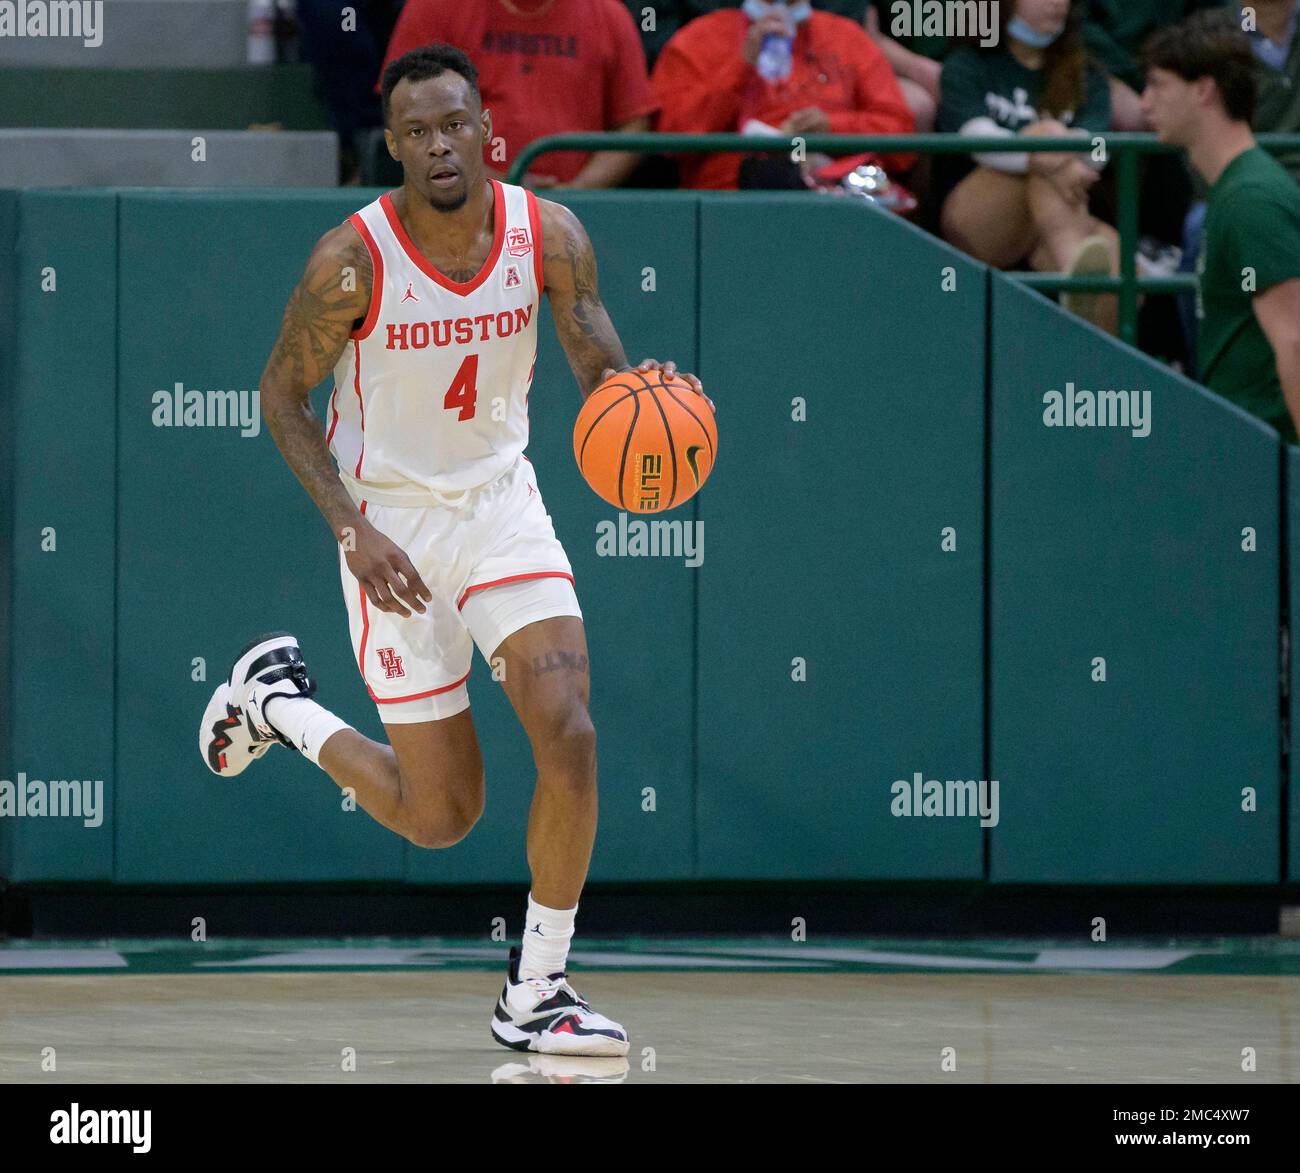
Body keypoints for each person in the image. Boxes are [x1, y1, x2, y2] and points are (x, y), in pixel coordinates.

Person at [198, 43, 712, 1055]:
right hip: (391, 526)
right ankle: (275, 705)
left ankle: (538, 988)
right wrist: (353, 529)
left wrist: (636, 404)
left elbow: (593, 353)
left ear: (490, 132)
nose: (440, 144)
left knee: (568, 729)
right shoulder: (349, 260)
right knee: (442, 815)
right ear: (392, 146)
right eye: (418, 130)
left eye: (455, 124)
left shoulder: (548, 233)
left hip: (500, 509)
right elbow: (280, 397)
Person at [1143, 10, 1300, 442]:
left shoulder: (1252, 199)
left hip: (1267, 459)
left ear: (1203, 90)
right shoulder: (1233, 191)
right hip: (1245, 449)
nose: (1144, 102)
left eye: (1158, 84)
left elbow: (1294, 341)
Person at [935, 0, 1119, 332]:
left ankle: (1089, 367)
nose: (1057, 3)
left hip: (1054, 218)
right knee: (1044, 136)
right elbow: (975, 138)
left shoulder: (1087, 72)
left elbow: (1098, 150)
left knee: (1118, 261)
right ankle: (1072, 271)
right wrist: (1042, 149)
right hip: (978, 219)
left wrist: (1048, 150)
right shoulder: (968, 63)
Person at [380, 0, 657, 190]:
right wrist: (495, 186)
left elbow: (633, 126)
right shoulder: (435, 8)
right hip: (456, 201)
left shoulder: (609, 14)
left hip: (577, 212)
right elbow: (403, 114)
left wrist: (577, 191)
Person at [651, 0, 913, 191]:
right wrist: (741, 66)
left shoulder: (848, 38)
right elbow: (671, 140)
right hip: (728, 207)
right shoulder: (696, 39)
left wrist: (832, 128)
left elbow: (903, 141)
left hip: (837, 203)